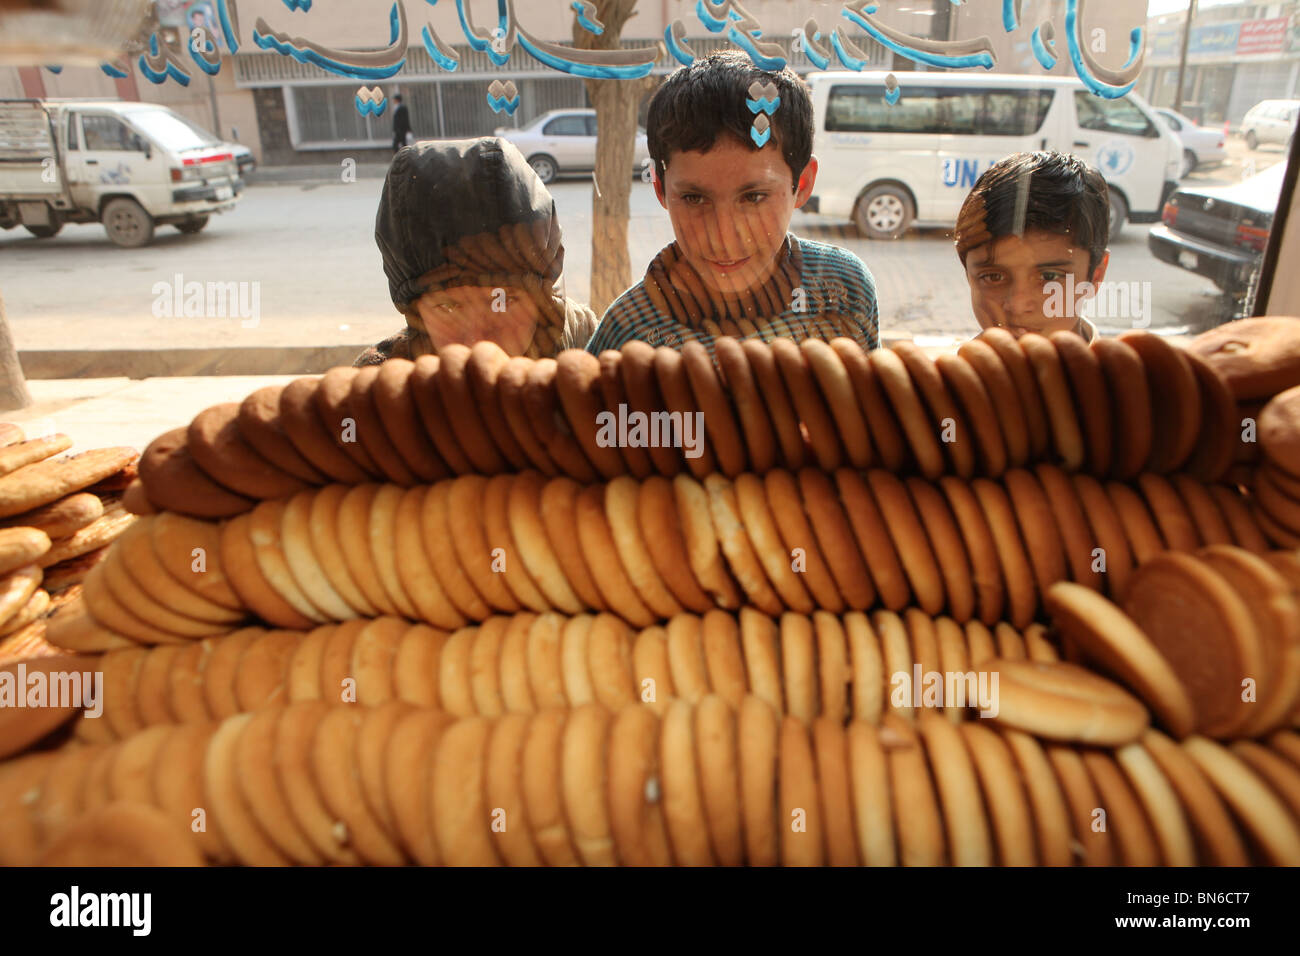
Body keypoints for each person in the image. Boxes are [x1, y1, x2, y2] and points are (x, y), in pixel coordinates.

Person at [584, 50, 879, 355]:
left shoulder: (843, 290)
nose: (724, 235)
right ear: (660, 188)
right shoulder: (630, 332)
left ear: (801, 185)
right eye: (694, 198)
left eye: (753, 197)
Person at [357, 137, 597, 365]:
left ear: (543, 300)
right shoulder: (378, 391)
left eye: (502, 301)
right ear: (416, 314)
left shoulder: (595, 349)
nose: (480, 340)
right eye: (448, 307)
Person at [954, 151, 1110, 342]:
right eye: (993, 277)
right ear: (969, 276)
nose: (1017, 305)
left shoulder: (1123, 371)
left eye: (1049, 277)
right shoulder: (954, 370)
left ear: (1095, 276)